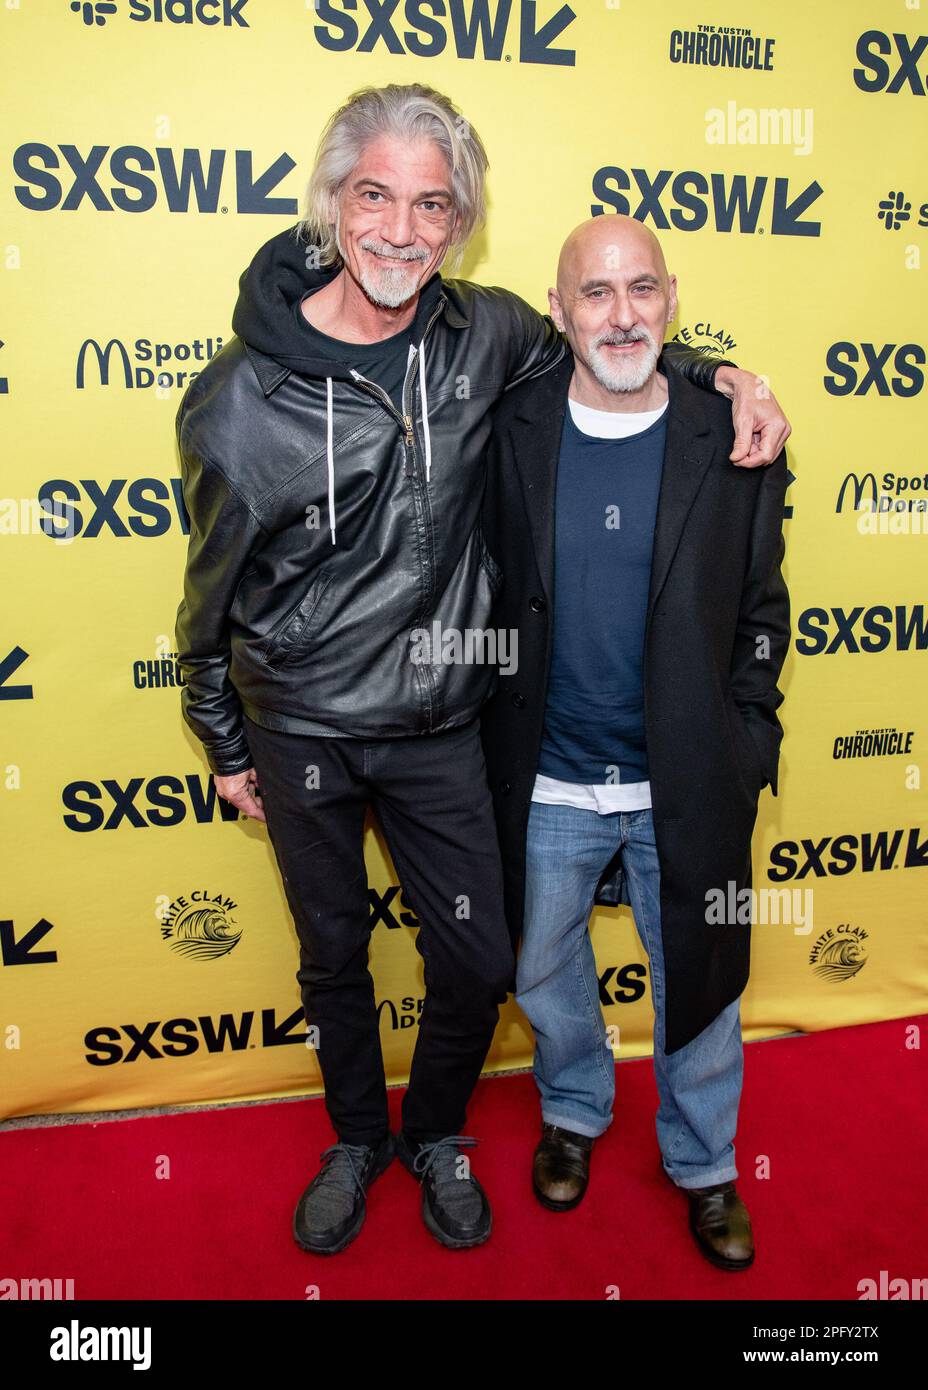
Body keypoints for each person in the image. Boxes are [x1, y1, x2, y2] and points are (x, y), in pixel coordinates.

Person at [174, 82, 791, 1257]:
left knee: (477, 955)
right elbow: (204, 597)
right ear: (331, 204)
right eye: (375, 197)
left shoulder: (486, 338)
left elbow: (621, 340)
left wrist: (727, 376)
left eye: (432, 205)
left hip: (443, 724)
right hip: (302, 725)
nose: (403, 230)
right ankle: (360, 1136)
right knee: (333, 952)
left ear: (458, 227)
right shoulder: (235, 397)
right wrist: (223, 739)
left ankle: (442, 1129)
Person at [479, 213, 790, 1271]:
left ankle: (705, 1167)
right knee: (538, 964)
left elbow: (760, 609)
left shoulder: (732, 434)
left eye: (642, 289)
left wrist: (744, 743)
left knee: (702, 979)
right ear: (557, 309)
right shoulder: (507, 423)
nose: (622, 315)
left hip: (685, 778)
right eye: (596, 293)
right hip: (549, 778)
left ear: (670, 300)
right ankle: (573, 1103)